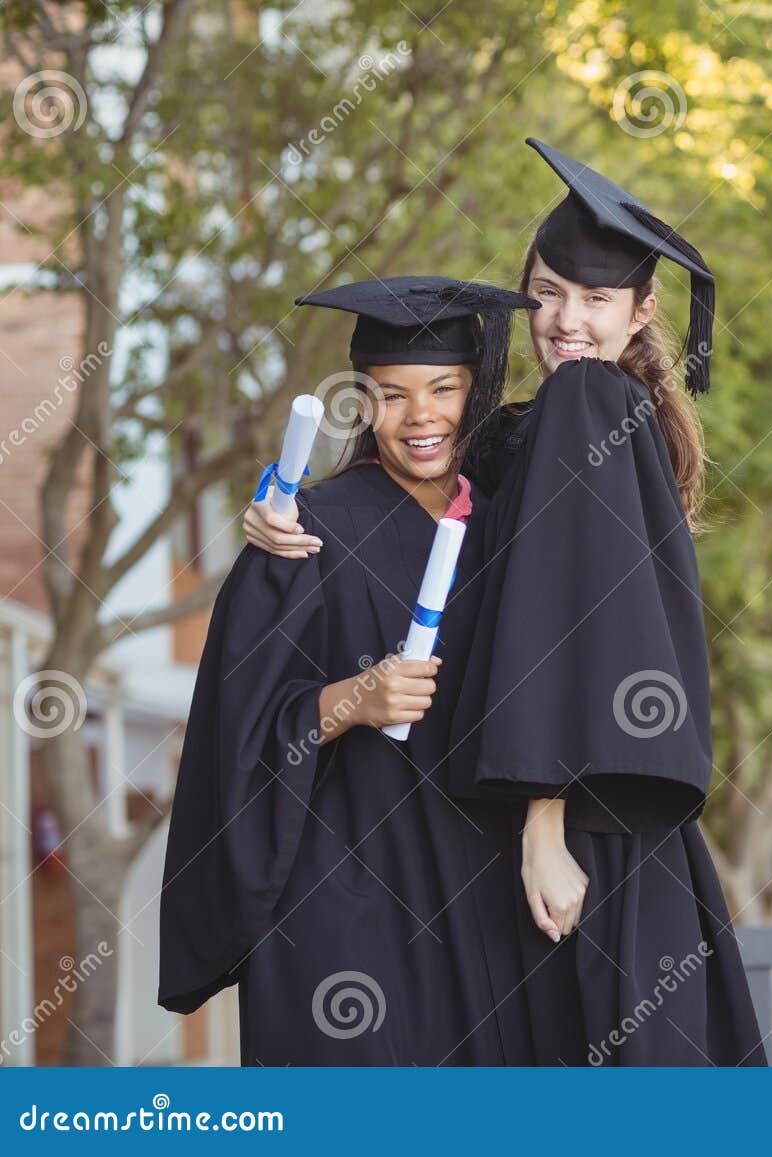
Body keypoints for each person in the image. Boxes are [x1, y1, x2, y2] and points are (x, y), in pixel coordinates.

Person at [242, 140, 765, 1066]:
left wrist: (544, 822)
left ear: (642, 310)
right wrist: (278, 511)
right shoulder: (575, 417)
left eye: (595, 298)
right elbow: (440, 490)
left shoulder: (590, 404)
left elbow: (571, 618)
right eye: (549, 291)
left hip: (580, 822)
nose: (565, 320)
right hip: (619, 821)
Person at [159, 276, 541, 1064]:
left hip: (485, 882)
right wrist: (352, 698)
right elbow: (236, 723)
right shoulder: (306, 531)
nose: (422, 416)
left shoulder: (516, 521)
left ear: (478, 390)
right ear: (361, 404)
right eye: (391, 394)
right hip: (348, 886)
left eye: (444, 388)